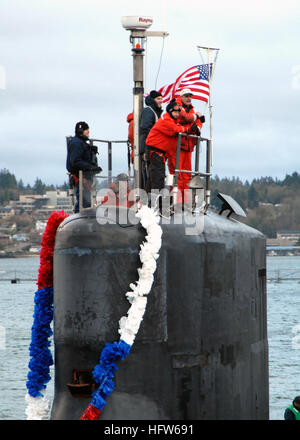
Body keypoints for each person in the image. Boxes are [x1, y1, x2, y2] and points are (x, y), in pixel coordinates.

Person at [168, 88, 205, 201]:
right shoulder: (176, 107)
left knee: (187, 175)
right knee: (176, 173)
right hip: (177, 146)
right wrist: (196, 118)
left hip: (188, 146)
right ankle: (175, 200)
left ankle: (185, 200)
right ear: (181, 97)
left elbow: (196, 123)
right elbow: (185, 118)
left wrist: (197, 126)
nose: (189, 98)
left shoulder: (192, 110)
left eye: (190, 96)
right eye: (186, 96)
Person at [145, 101, 189, 194]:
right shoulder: (166, 120)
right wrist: (188, 129)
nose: (177, 114)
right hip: (156, 152)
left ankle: (149, 202)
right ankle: (156, 203)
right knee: (158, 177)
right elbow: (177, 129)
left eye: (178, 112)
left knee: (154, 177)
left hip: (160, 153)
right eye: (175, 112)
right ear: (170, 112)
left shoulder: (172, 121)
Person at [66, 121, 102, 213]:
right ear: (81, 131)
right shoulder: (76, 143)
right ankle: (80, 219)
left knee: (85, 203)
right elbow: (75, 161)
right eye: (87, 130)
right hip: (81, 177)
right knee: (84, 204)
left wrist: (90, 150)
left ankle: (80, 217)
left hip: (85, 177)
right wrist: (90, 167)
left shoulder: (80, 143)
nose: (88, 133)